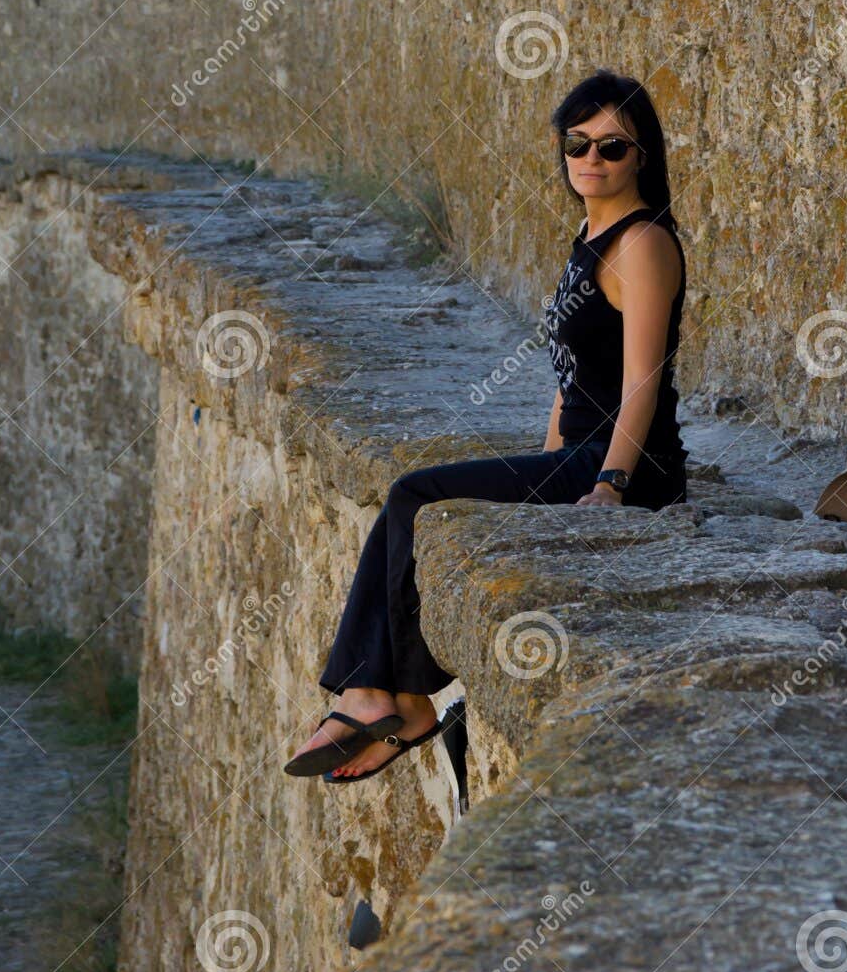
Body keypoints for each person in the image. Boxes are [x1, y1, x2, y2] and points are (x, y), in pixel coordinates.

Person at [283, 67, 688, 784]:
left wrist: (609, 485)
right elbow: (571, 377)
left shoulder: (642, 244)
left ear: (642, 157)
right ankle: (396, 700)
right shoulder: (589, 238)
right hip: (579, 455)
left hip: (630, 465)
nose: (591, 160)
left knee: (414, 491)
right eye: (577, 144)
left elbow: (642, 380)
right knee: (434, 501)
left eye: (612, 147)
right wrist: (541, 467)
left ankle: (375, 695)